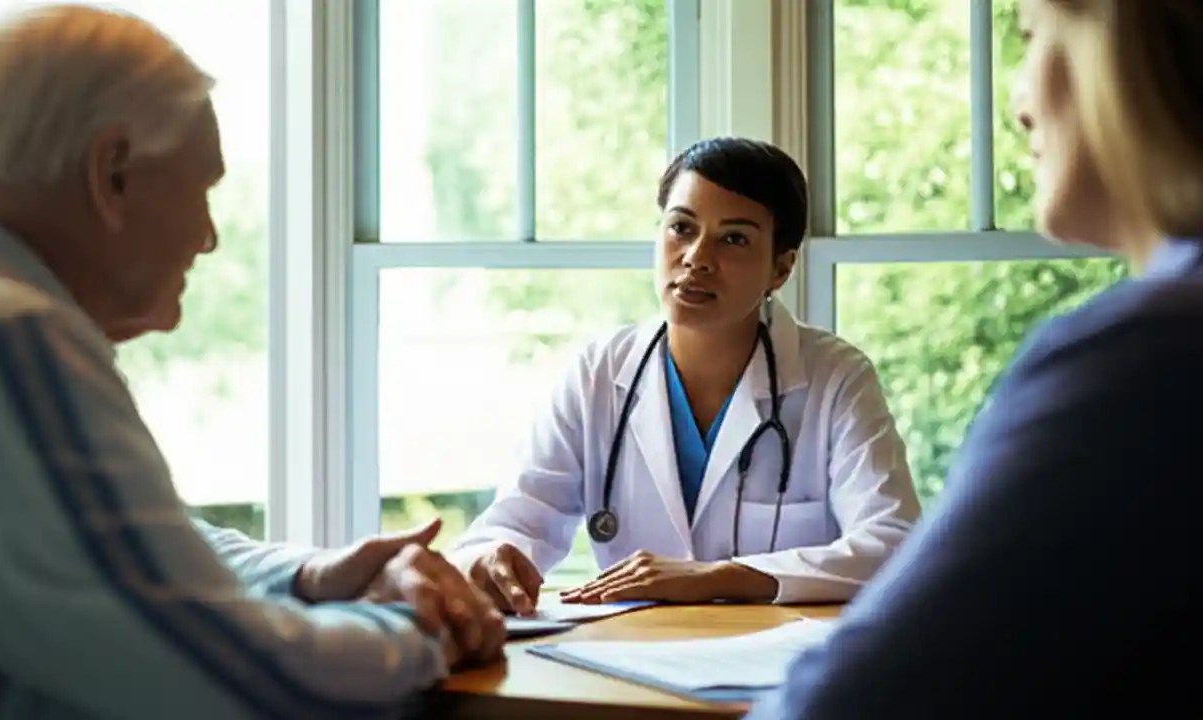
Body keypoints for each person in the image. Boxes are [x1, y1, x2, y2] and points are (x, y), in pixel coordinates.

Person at [0, 5, 503, 719]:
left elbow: (121, 545)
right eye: (202, 189)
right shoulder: (4, 338)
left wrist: (307, 575)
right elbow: (234, 676)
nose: (208, 238)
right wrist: (416, 630)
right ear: (113, 174)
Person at [746, 1, 1203, 717]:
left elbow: (845, 706)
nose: (1019, 104)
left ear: (1124, 47)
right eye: (678, 229)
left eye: (1030, 37)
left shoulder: (1145, 365)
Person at [448, 137, 921, 613]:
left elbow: (893, 542)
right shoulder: (599, 372)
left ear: (781, 268)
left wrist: (718, 577)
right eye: (681, 228)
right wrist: (490, 558)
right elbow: (515, 521)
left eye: (734, 238)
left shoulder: (836, 377)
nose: (697, 257)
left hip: (779, 665)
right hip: (629, 657)